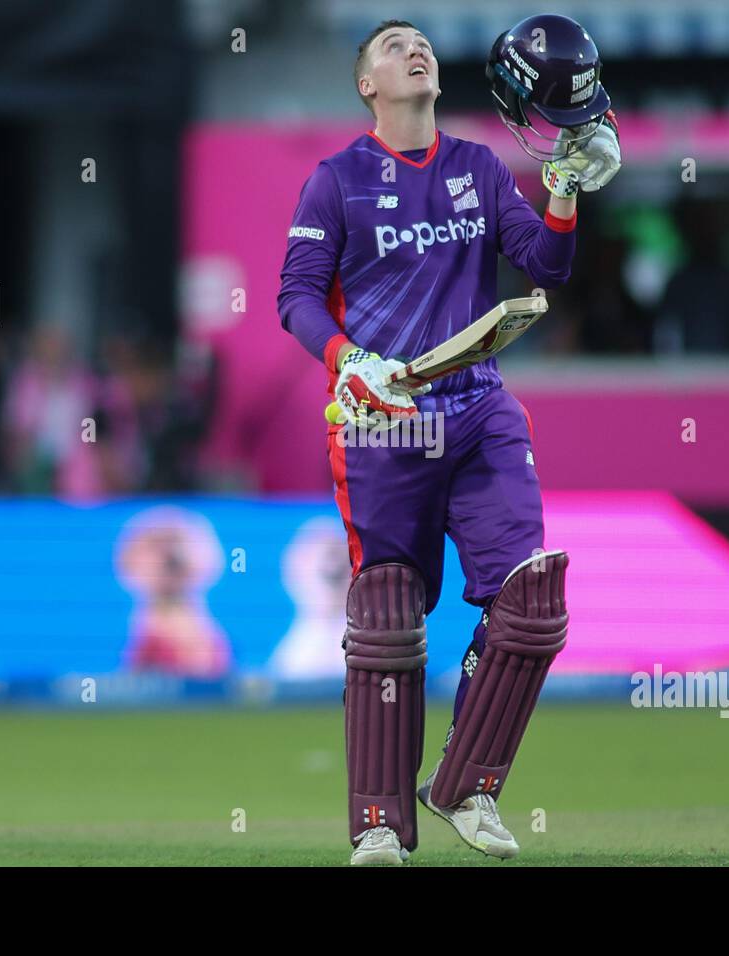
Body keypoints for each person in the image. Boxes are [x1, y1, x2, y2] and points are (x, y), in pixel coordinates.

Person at [277, 15, 621, 865]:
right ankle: (380, 825)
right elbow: (295, 296)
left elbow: (545, 267)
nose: (414, 49)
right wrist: (348, 359)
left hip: (476, 409)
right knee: (389, 614)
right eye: (393, 47)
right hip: (382, 422)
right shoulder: (336, 180)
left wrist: (566, 190)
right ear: (368, 84)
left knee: (532, 599)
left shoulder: (477, 167)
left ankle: (467, 788)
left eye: (421, 42)